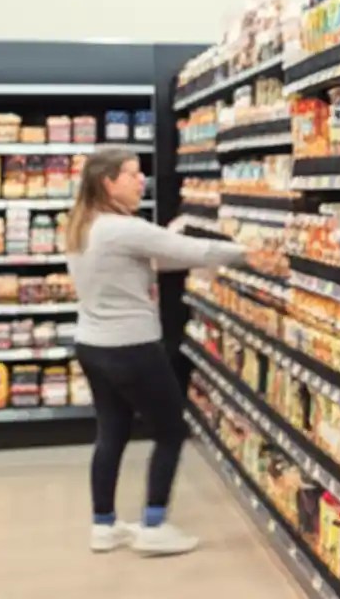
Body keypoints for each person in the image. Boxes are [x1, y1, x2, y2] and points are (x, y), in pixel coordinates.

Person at [65, 148, 258, 556]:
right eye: (133, 174)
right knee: (171, 430)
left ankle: (104, 525)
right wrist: (251, 253)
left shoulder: (85, 225)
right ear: (108, 182)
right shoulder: (120, 227)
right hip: (130, 347)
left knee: (111, 432)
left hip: (92, 345)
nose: (142, 182)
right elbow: (194, 253)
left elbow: (151, 261)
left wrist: (172, 240)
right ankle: (154, 524)